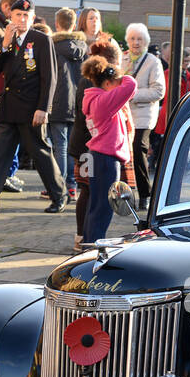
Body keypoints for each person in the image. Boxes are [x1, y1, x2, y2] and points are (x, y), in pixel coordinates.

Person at [0, 0, 67, 214]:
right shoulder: (9, 40)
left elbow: (49, 77)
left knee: (41, 154)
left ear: (32, 18)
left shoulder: (41, 39)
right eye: (18, 15)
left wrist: (43, 108)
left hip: (30, 109)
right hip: (8, 108)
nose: (22, 19)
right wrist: (4, 44)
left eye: (26, 15)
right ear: (11, 17)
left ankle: (59, 196)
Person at [69, 37, 122, 251]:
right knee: (89, 192)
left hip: (86, 145)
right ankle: (84, 237)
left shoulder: (90, 80)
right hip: (88, 147)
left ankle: (84, 238)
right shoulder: (93, 83)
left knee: (90, 193)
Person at [80, 54, 137, 243]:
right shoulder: (104, 101)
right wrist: (120, 77)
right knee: (104, 206)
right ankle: (94, 244)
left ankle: (89, 241)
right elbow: (131, 85)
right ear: (107, 83)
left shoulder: (94, 98)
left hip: (97, 156)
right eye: (114, 83)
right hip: (106, 158)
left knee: (95, 204)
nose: (118, 87)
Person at [124, 23, 165, 209]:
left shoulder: (153, 61)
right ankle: (123, 192)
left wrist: (132, 94)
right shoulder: (122, 58)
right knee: (121, 153)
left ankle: (145, 194)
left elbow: (158, 91)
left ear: (145, 41)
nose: (135, 42)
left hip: (144, 114)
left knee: (138, 148)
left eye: (139, 39)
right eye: (132, 38)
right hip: (124, 114)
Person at [50, 7, 87, 204]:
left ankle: (59, 187)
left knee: (60, 146)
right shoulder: (83, 48)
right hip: (78, 104)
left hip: (58, 102)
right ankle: (73, 186)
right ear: (73, 25)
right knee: (73, 147)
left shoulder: (53, 47)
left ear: (57, 24)